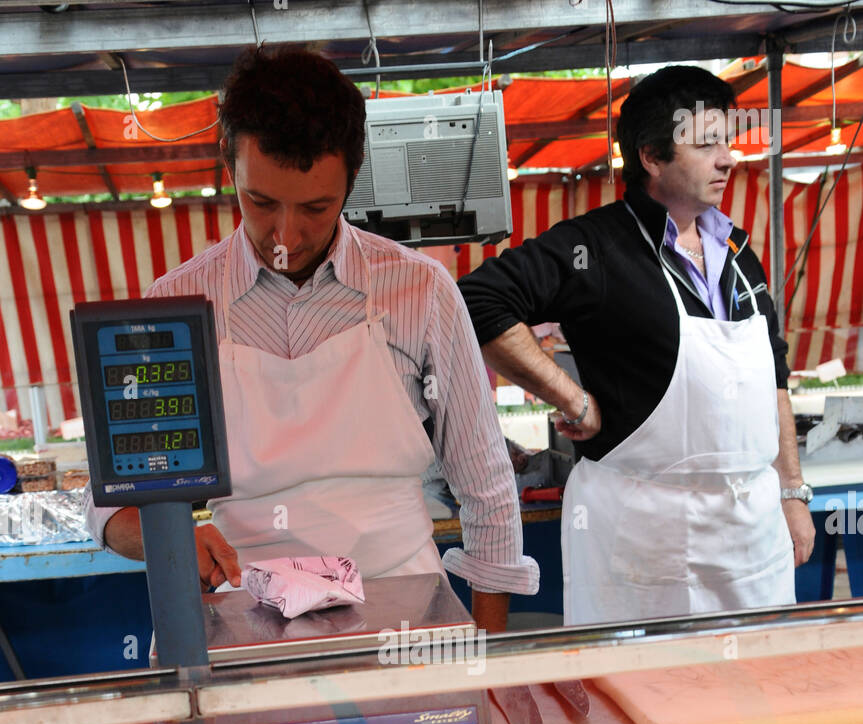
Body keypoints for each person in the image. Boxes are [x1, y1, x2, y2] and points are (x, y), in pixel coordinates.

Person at [85, 46, 538, 632]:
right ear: (230, 164)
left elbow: (487, 488)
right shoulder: (174, 307)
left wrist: (489, 654)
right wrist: (160, 535)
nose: (286, 235)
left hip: (405, 611)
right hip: (248, 613)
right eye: (261, 201)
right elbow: (106, 503)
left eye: (316, 208)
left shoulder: (422, 292)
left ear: (352, 177)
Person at [458, 65, 815, 626]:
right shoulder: (595, 248)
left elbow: (774, 379)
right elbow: (478, 300)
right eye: (705, 145)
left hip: (753, 538)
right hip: (644, 542)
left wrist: (793, 492)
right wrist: (571, 398)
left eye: (727, 141)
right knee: (646, 696)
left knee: (756, 699)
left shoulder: (740, 252)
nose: (728, 158)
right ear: (651, 157)